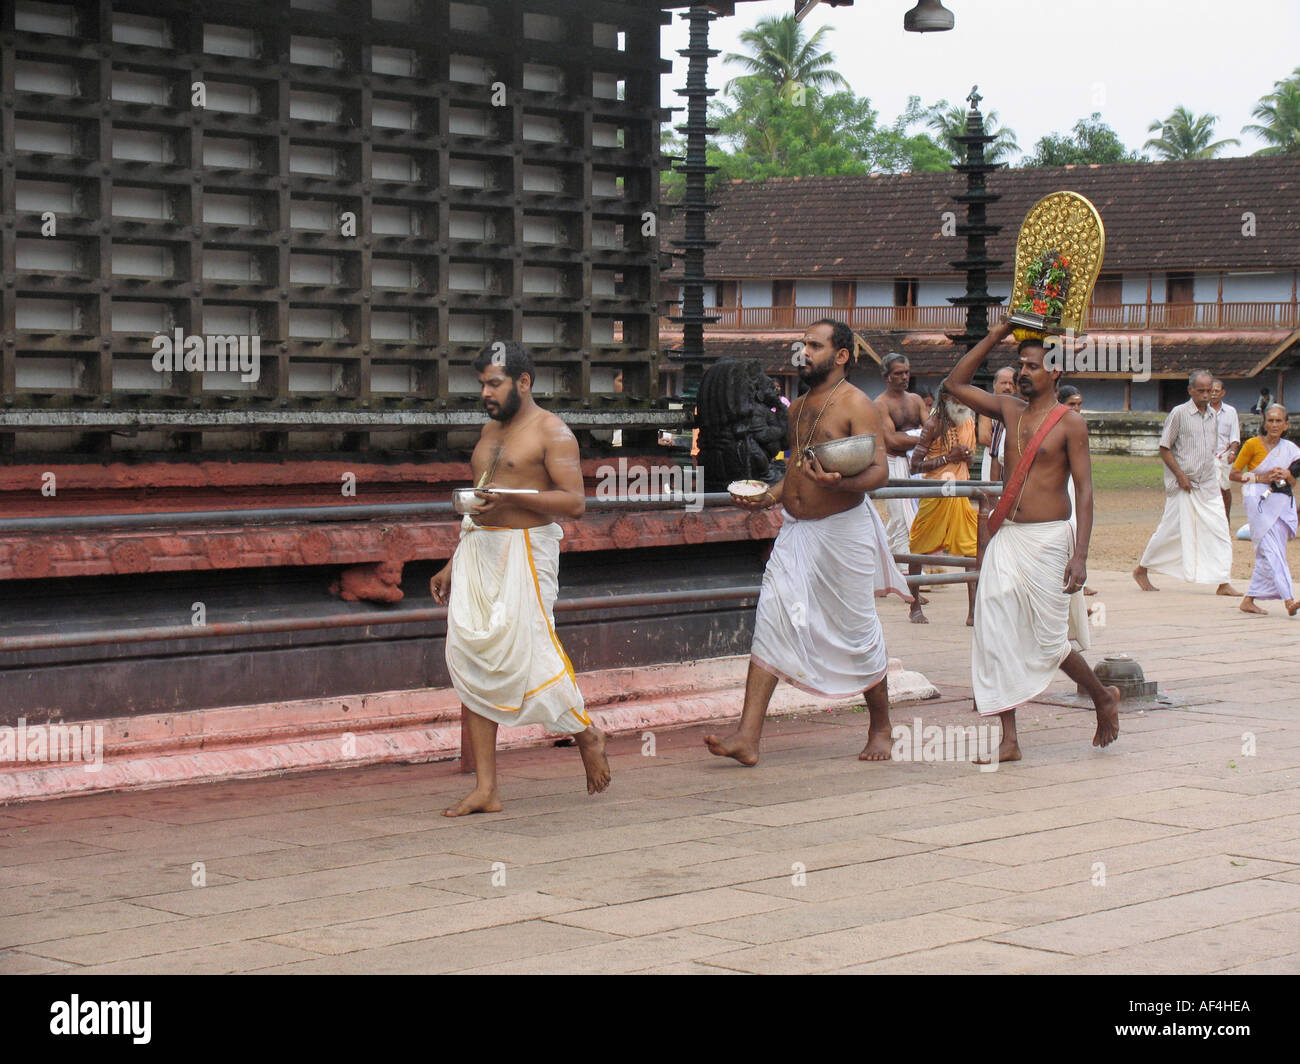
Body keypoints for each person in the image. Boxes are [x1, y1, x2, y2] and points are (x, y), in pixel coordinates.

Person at [706, 319, 911, 767]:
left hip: (842, 533)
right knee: (772, 617)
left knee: (856, 629)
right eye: (803, 345)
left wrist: (839, 482)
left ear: (840, 356)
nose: (804, 353)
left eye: (814, 346)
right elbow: (796, 471)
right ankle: (747, 736)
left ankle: (881, 726)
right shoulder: (798, 406)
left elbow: (877, 473)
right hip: (796, 532)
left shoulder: (858, 405)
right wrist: (768, 496)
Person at [431, 341, 611, 815]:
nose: (486, 393)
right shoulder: (490, 430)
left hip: (525, 552)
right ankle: (487, 787)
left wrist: (515, 497)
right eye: (482, 385)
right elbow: (481, 502)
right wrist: (454, 559)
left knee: (531, 650)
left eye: (495, 383)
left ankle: (586, 732)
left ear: (524, 382)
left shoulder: (553, 432)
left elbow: (574, 502)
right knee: (472, 657)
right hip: (479, 549)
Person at [944, 320, 1120, 762]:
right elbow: (954, 383)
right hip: (1008, 537)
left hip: (1048, 539)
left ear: (1055, 372)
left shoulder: (1070, 423)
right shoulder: (1008, 409)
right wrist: (997, 332)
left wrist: (1080, 556)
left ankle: (1101, 696)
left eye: (1033, 367)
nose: (1024, 373)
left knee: (1047, 640)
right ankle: (1009, 739)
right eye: (1020, 366)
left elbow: (1085, 491)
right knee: (996, 630)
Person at [1133, 371, 1241, 596]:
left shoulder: (1213, 415)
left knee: (1220, 529)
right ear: (1190, 390)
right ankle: (1142, 568)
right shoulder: (1179, 413)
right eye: (1200, 391)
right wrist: (1180, 475)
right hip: (1183, 484)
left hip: (1208, 483)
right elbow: (1165, 448)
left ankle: (1223, 581)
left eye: (1209, 390)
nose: (1205, 395)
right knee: (1169, 531)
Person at [907, 386, 978, 625]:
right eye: (958, 398)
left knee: (971, 549)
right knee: (918, 546)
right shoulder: (933, 424)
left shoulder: (969, 421)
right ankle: (914, 606)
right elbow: (915, 465)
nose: (963, 402)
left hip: (960, 493)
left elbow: (972, 456)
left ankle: (973, 612)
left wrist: (967, 457)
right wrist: (948, 458)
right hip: (935, 493)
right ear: (946, 398)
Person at [1230, 404, 1300, 616]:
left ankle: (1249, 599)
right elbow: (1233, 474)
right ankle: (1289, 600)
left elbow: (1293, 482)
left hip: (1280, 501)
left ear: (1286, 424)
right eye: (1270, 420)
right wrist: (1260, 477)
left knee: (1267, 554)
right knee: (1272, 551)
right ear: (1264, 423)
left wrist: (1286, 474)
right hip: (1257, 500)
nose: (1274, 424)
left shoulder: (1290, 449)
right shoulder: (1252, 444)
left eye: (1279, 421)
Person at [874, 354, 929, 556]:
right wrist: (921, 437)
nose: (904, 377)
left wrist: (912, 438)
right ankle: (904, 570)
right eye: (898, 373)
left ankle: (894, 564)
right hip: (894, 463)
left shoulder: (915, 400)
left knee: (917, 515)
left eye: (906, 372)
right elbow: (892, 441)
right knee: (901, 518)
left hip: (918, 464)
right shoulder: (880, 404)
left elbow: (933, 430)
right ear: (886, 376)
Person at [1209, 378, 1241, 520]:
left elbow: (1235, 436)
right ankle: (1212, 519)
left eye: (1216, 391)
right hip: (1207, 456)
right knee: (1209, 489)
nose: (1213, 394)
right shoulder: (1202, 409)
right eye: (1211, 391)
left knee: (1224, 488)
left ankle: (1225, 518)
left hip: (1225, 456)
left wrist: (1233, 452)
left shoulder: (1230, 411)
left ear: (1223, 393)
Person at [980, 366, 1016, 481]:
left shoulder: (1019, 406)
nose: (1007, 387)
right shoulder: (987, 407)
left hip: (1014, 462)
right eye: (1004, 383)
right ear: (994, 384)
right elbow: (984, 438)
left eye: (1011, 384)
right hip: (992, 459)